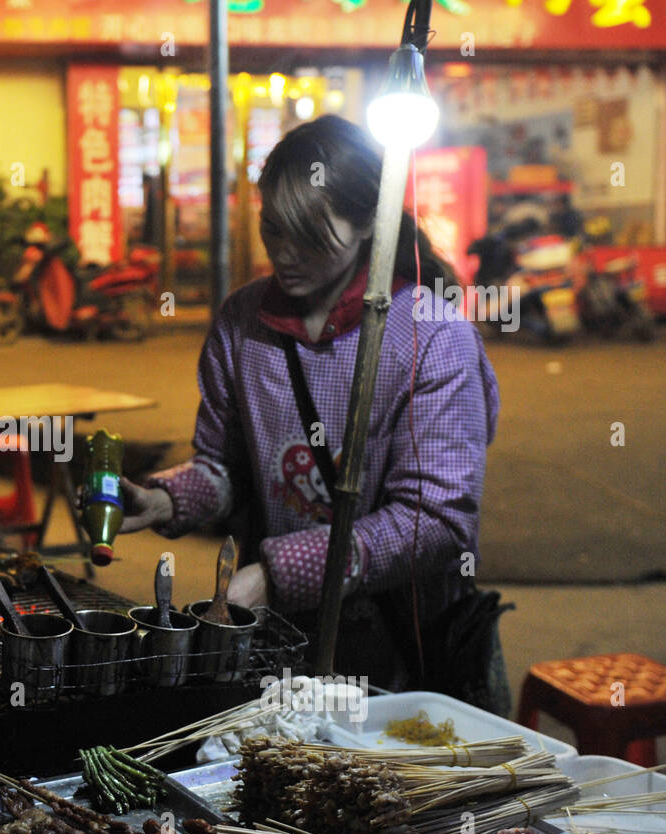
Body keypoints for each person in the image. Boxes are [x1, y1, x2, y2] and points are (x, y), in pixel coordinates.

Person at [117, 115, 507, 705]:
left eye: (311, 236)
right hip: (280, 644)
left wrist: (277, 574)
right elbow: (224, 467)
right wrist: (168, 498)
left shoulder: (432, 334)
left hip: (404, 651)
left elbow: (436, 520)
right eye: (273, 231)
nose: (286, 255)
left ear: (368, 226)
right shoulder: (241, 323)